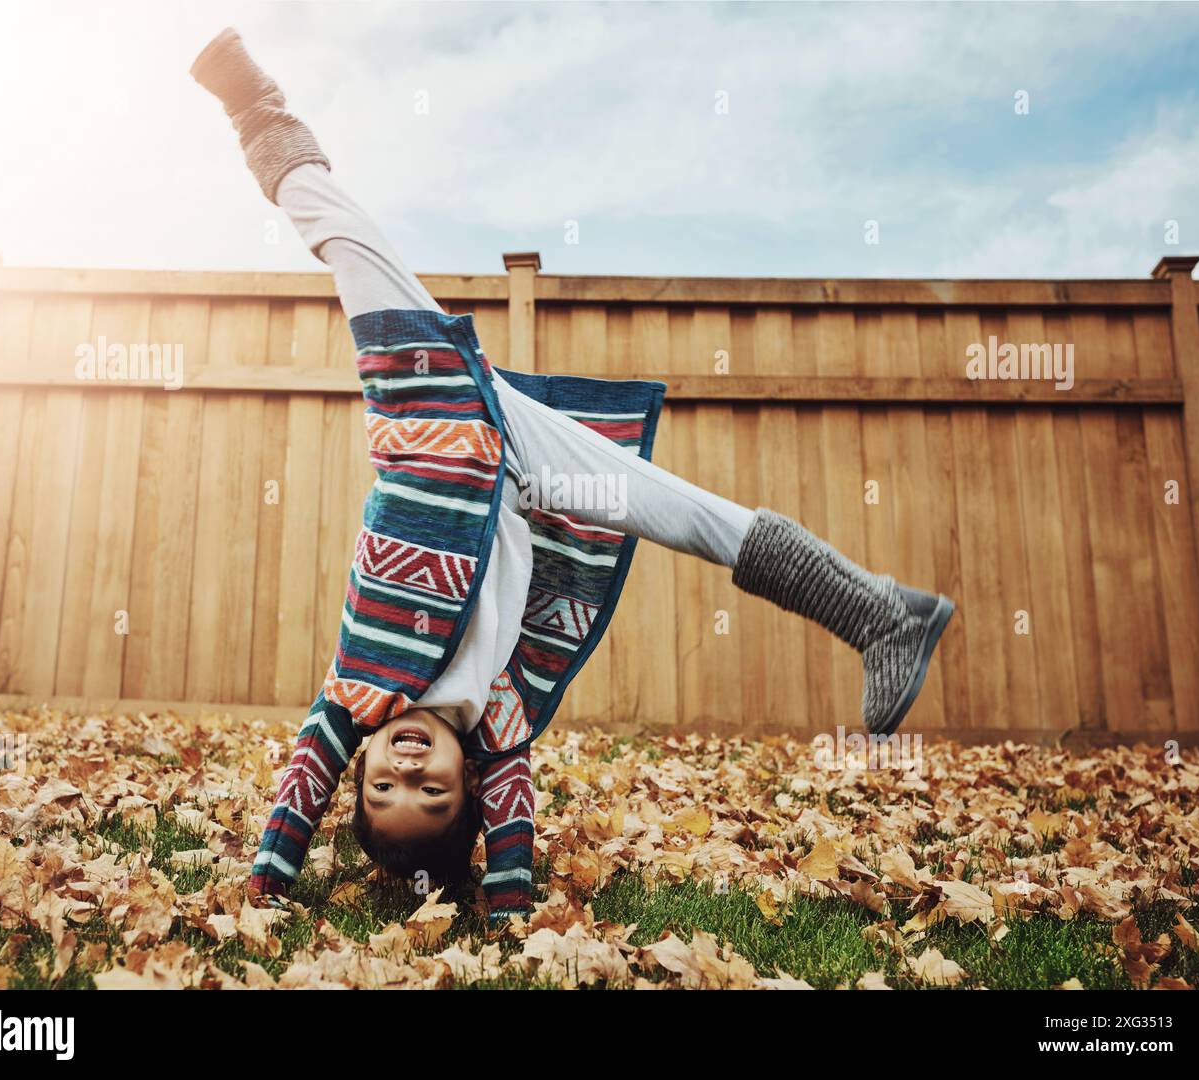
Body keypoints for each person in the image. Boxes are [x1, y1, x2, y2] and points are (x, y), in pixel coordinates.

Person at [189, 28, 955, 924]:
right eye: (432, 797)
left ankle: (253, 105)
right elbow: (512, 827)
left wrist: (264, 887)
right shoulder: (500, 724)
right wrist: (511, 909)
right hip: (528, 477)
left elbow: (294, 796)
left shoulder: (351, 694)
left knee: (345, 239)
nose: (407, 773)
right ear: (466, 783)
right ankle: (881, 612)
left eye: (380, 789)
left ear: (350, 773)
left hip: (431, 429)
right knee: (687, 516)